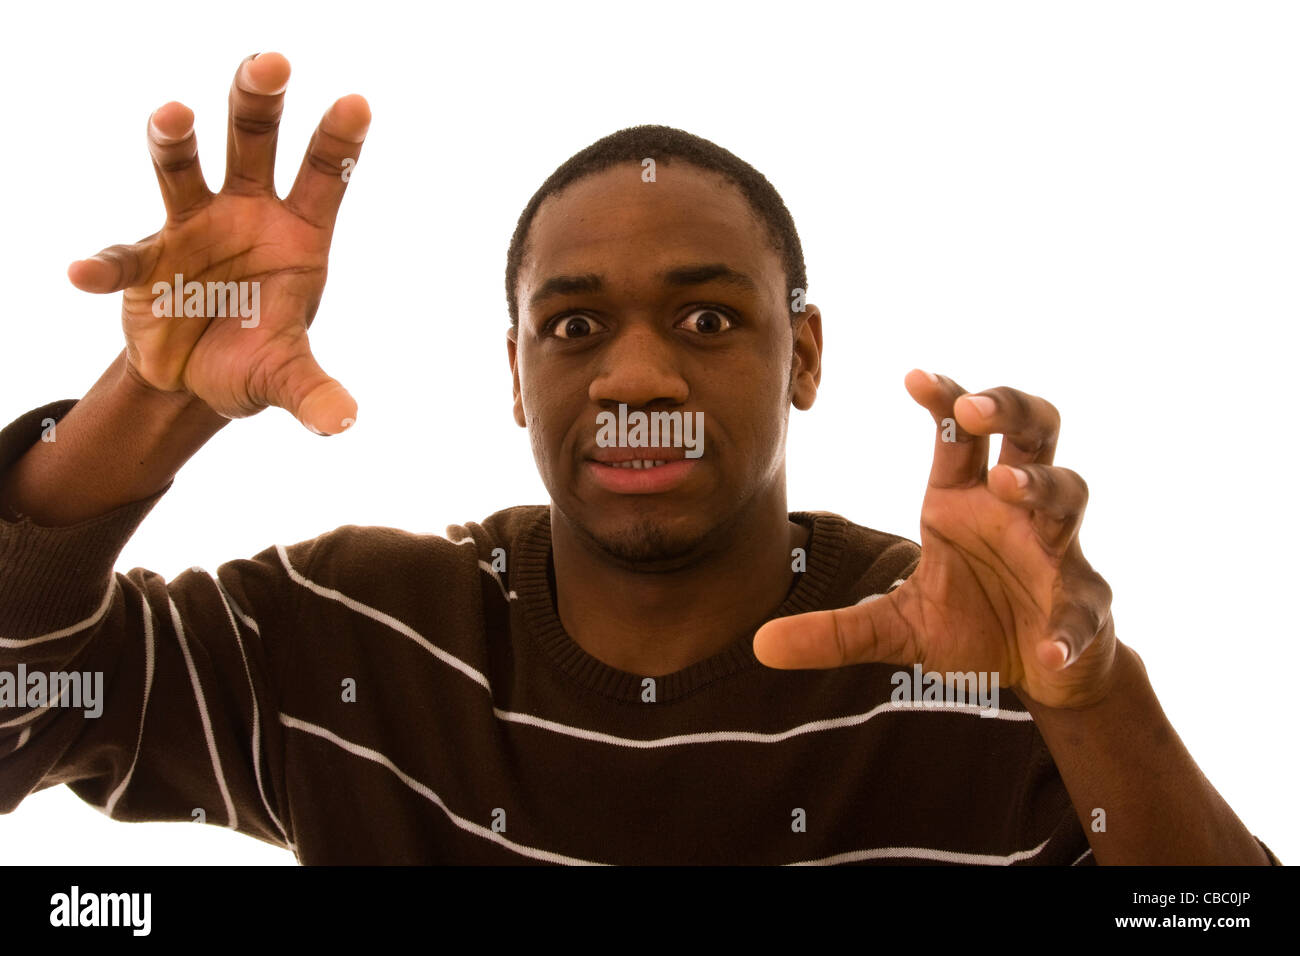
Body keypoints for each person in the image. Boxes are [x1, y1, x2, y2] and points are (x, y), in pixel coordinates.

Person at [0, 52, 1278, 865]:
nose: (636, 377)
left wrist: (1089, 693)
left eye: (709, 317)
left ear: (805, 357)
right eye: (573, 325)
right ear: (515, 373)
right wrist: (151, 398)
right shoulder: (347, 633)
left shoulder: (955, 656)